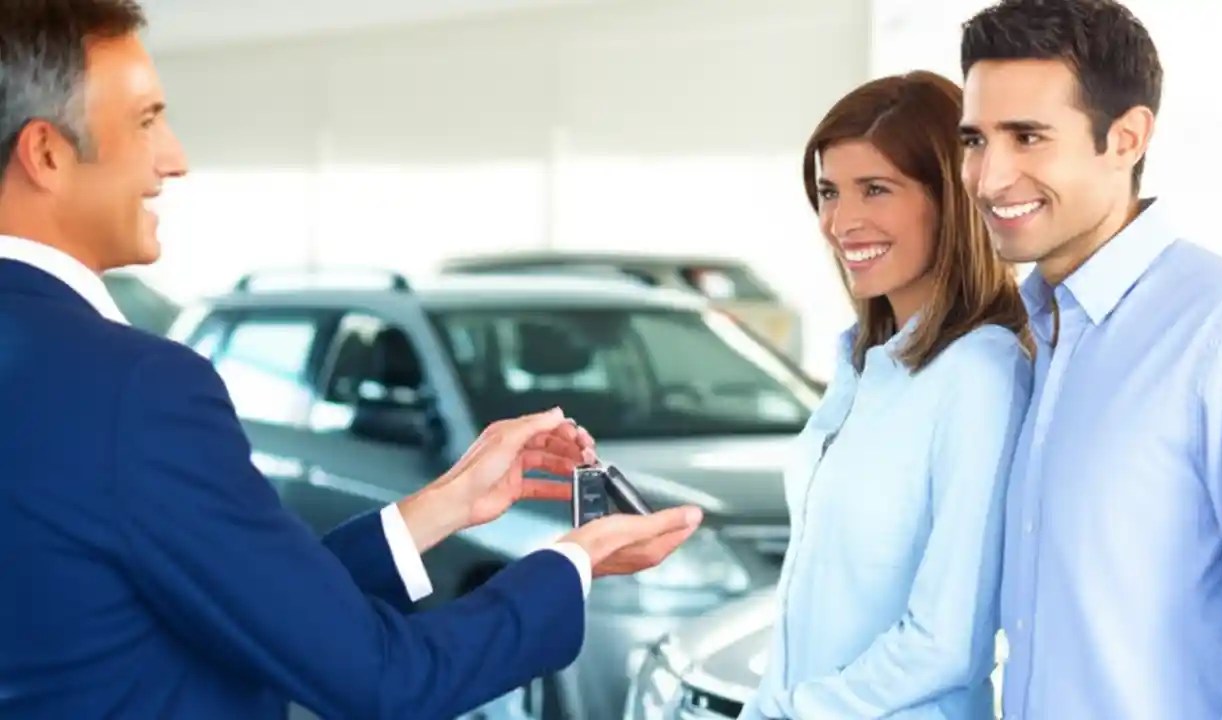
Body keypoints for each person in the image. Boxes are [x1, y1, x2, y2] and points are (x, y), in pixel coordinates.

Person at [0, 2, 703, 718]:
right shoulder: (137, 388)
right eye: (147, 120)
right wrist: (573, 563)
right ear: (47, 153)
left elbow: (253, 610)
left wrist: (439, 507)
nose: (173, 157)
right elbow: (383, 679)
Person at [957, 1, 1222, 718]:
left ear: (1127, 138)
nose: (987, 177)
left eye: (1028, 137)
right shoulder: (1032, 336)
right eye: (975, 140)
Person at [739, 70, 1032, 720]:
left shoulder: (981, 376)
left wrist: (793, 713)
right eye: (827, 192)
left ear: (950, 197)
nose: (841, 221)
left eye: (876, 190)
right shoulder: (861, 365)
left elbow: (947, 642)